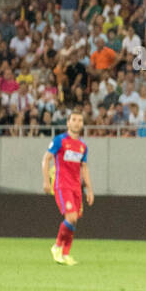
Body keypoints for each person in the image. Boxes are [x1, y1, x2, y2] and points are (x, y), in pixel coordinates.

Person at [43, 109, 93, 266]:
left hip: (76, 187)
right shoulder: (60, 140)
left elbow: (84, 168)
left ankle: (65, 254)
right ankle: (57, 246)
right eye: (74, 119)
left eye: (80, 120)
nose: (77, 123)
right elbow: (46, 159)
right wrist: (46, 181)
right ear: (68, 122)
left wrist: (89, 190)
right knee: (70, 217)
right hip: (62, 185)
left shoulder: (82, 146)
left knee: (73, 221)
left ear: (82, 124)